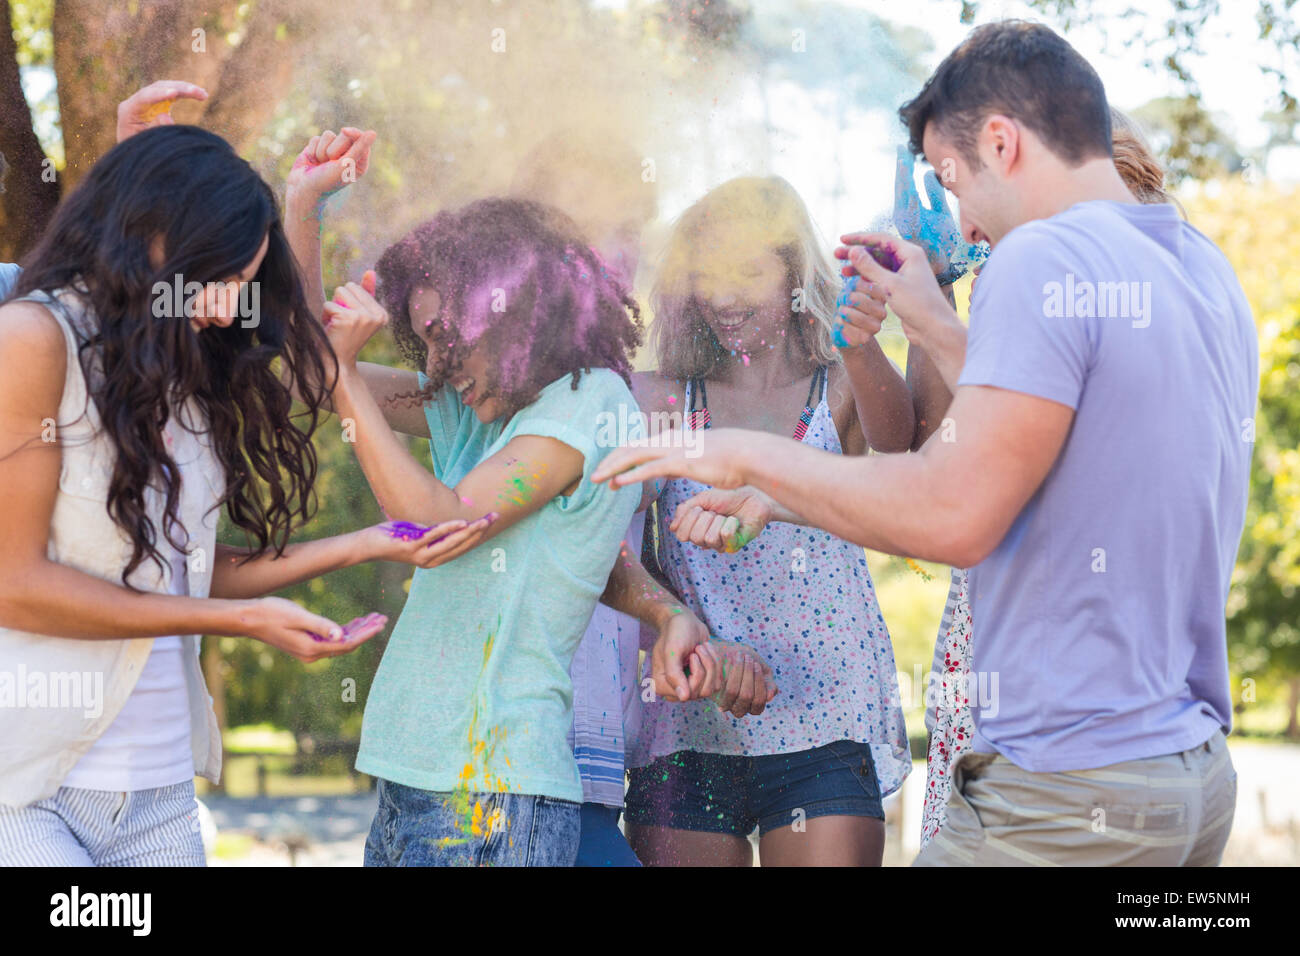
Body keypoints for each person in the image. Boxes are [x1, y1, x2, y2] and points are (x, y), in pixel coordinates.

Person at [595, 20, 1258, 867]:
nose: (961, 222)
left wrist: (750, 457)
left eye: (951, 179)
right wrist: (929, 322)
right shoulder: (1199, 265)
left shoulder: (1041, 259)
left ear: (1001, 141)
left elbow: (952, 516)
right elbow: (1056, 448)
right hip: (1187, 776)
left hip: (1065, 783)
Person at [0, 123, 476, 866]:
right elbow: (13, 583)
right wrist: (239, 621)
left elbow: (183, 568)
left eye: (244, 287)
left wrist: (359, 545)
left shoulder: (188, 366)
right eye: (220, 280)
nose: (229, 308)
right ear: (151, 237)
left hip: (159, 801)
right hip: (26, 791)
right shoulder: (33, 339)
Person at [619, 176, 915, 867]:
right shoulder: (660, 397)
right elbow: (616, 552)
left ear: (793, 274)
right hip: (689, 728)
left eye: (747, 272)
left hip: (825, 723)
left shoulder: (839, 381)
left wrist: (861, 341)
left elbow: (903, 456)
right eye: (707, 276)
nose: (722, 298)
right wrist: (686, 637)